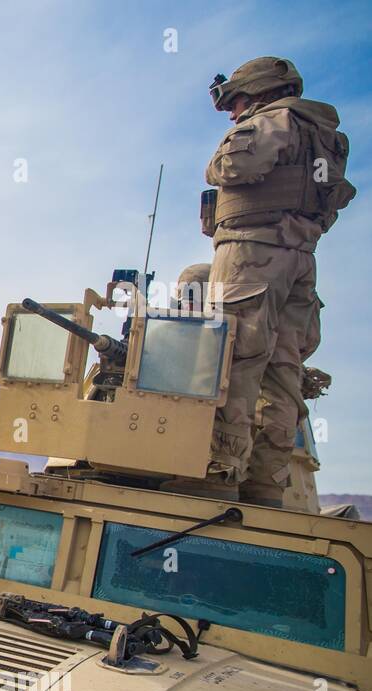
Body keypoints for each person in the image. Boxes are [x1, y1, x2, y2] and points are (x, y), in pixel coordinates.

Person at [165, 57, 355, 506]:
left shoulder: (274, 121)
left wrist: (217, 164)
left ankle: (218, 473)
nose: (234, 113)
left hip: (253, 255)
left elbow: (231, 168)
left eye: (239, 100)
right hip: (299, 259)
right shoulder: (323, 135)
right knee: (281, 374)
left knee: (230, 361)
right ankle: (265, 484)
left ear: (263, 92)